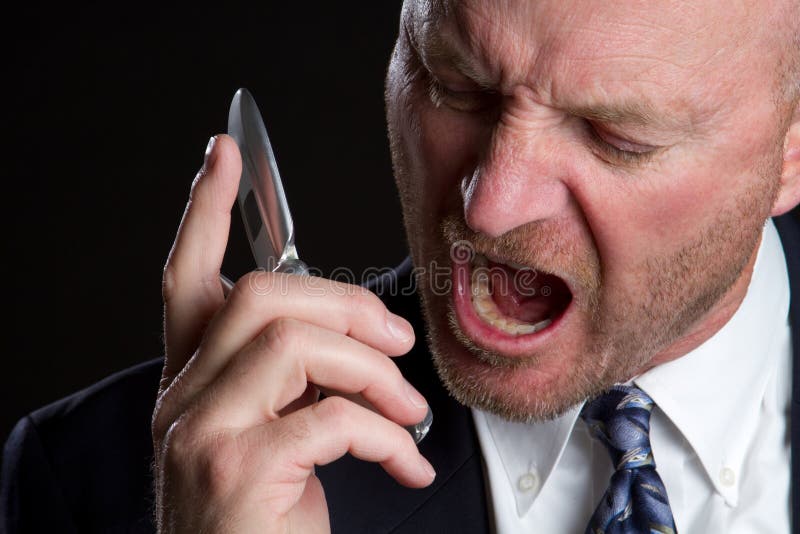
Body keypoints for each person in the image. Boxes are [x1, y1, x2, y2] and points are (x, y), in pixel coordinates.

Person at [3, 1, 800, 532]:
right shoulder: (92, 486)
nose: (489, 207)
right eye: (455, 84)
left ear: (790, 148)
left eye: (616, 137)